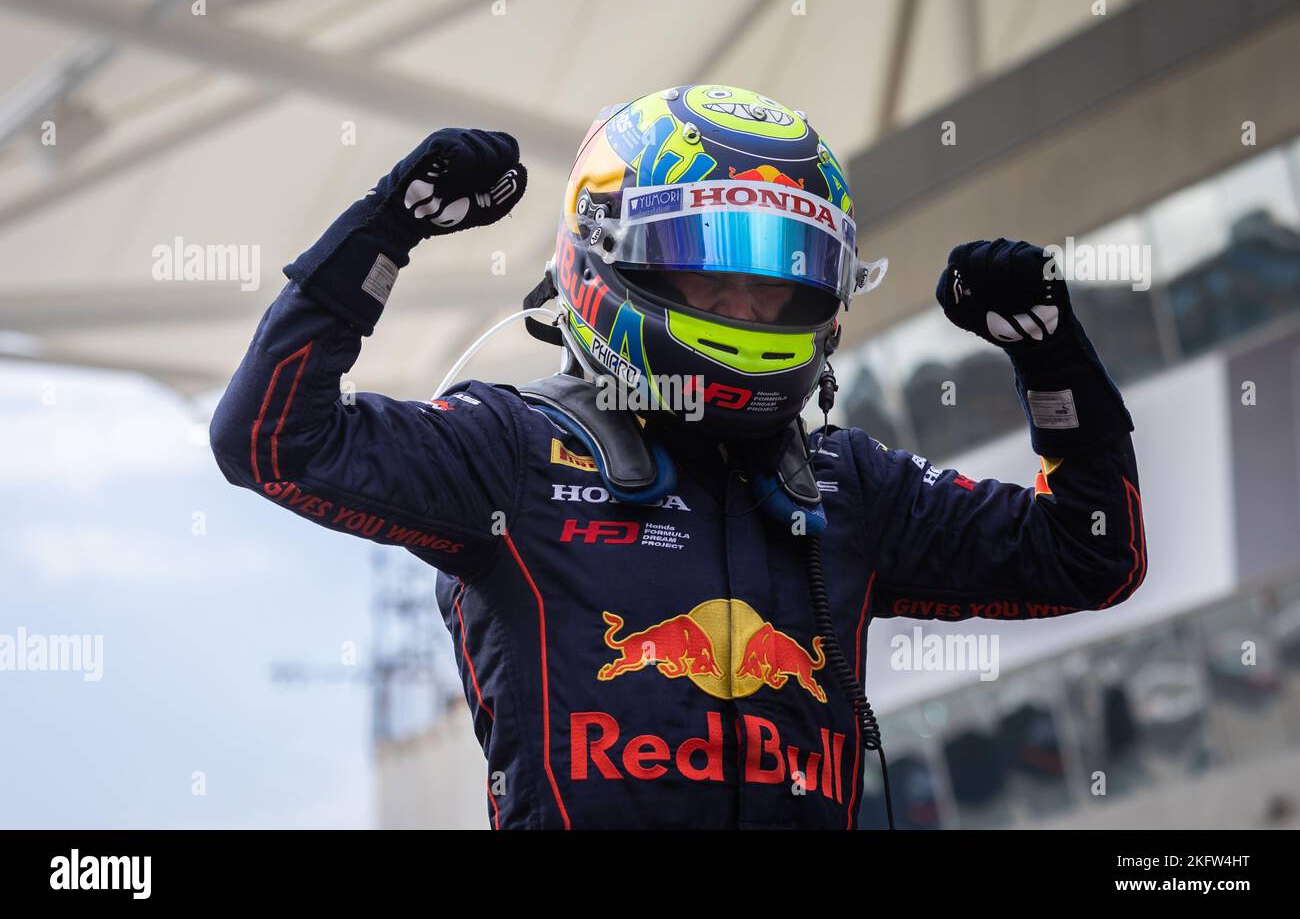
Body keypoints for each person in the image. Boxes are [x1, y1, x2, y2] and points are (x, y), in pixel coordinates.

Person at [210, 85, 1146, 829]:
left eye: (782, 286)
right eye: (717, 273)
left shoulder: (846, 488)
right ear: (610, 258)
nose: (752, 310)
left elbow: (1091, 554)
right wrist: (387, 228)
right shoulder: (509, 454)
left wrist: (1051, 354)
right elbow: (269, 440)